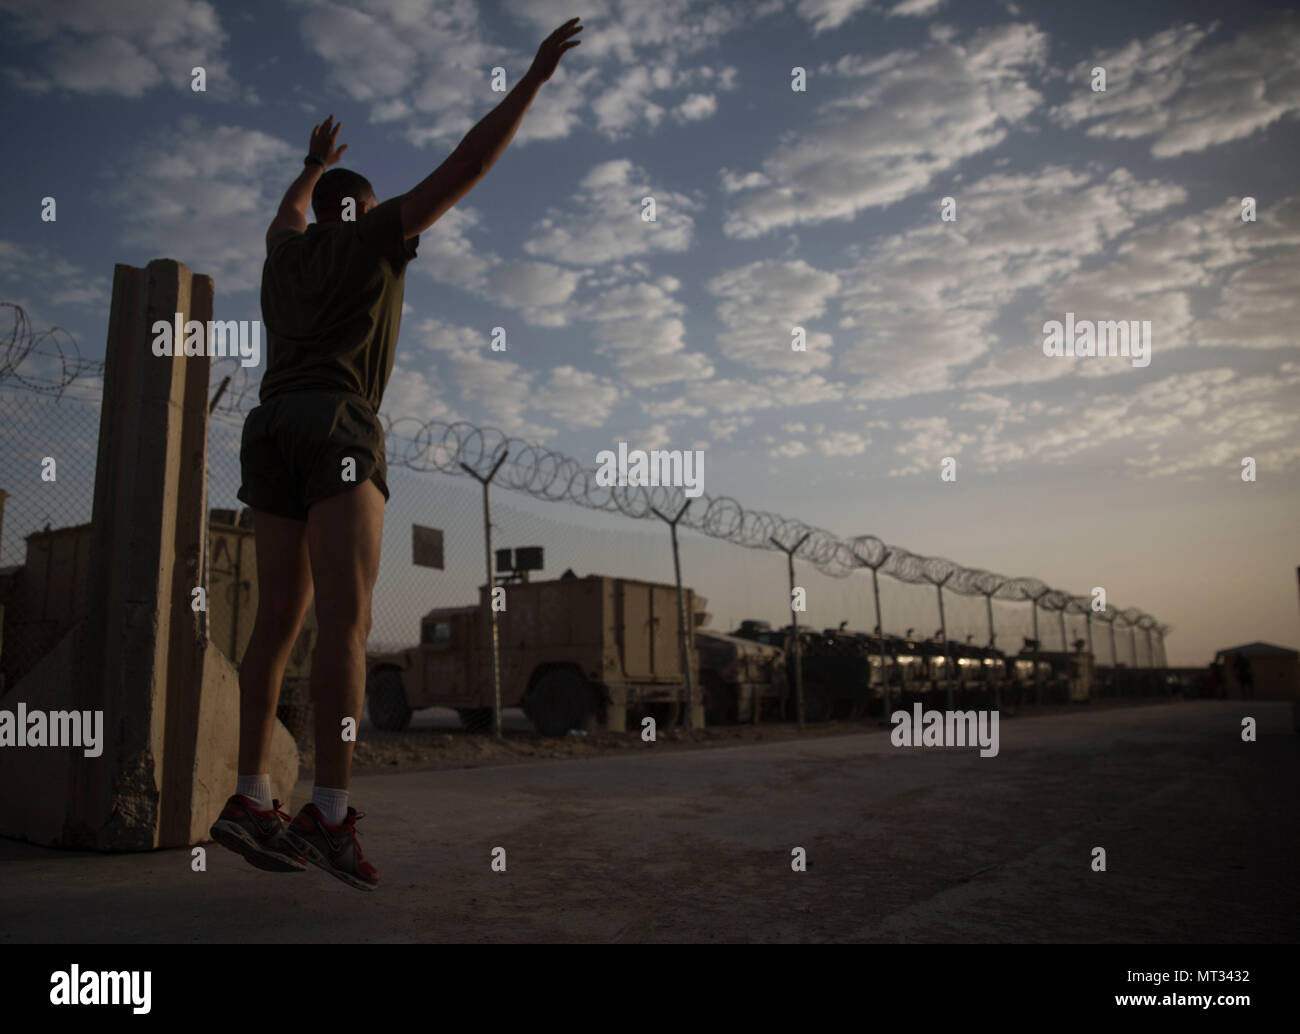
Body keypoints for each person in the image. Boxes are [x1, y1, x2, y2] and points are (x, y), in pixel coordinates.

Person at [209, 18, 584, 891]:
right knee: (345, 620)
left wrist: (306, 166)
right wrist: (530, 83)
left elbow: (284, 214)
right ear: (370, 210)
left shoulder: (283, 257)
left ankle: (249, 795)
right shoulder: (375, 238)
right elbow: (466, 165)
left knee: (275, 623)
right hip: (340, 427)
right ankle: (330, 815)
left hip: (269, 431)